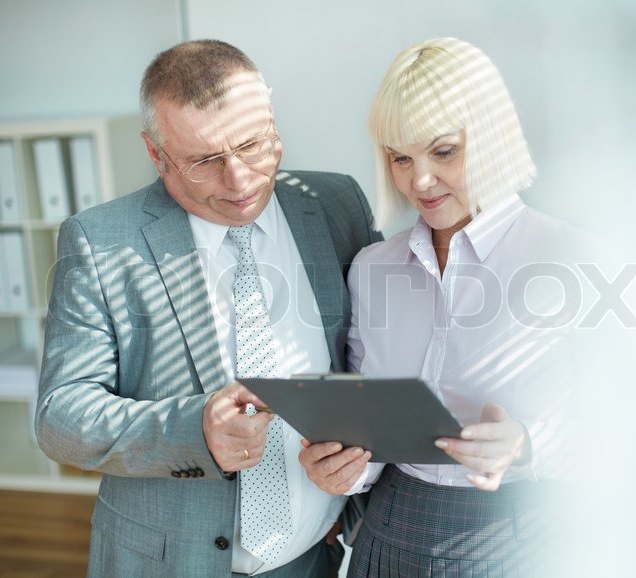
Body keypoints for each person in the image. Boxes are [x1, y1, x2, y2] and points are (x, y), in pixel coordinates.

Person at [35, 39, 381, 578]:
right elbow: (60, 417)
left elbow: (372, 360)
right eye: (204, 162)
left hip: (316, 558)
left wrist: (360, 462)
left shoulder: (338, 205)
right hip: (170, 565)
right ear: (156, 153)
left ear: (270, 115)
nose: (240, 180)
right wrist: (195, 428)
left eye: (253, 145)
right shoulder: (99, 241)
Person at [299, 37, 588, 577]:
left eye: (444, 151)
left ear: (493, 137)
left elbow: (631, 432)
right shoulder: (371, 268)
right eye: (400, 158)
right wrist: (344, 467)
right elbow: (371, 425)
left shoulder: (569, 258)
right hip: (390, 528)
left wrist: (527, 443)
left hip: (520, 534)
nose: (419, 181)